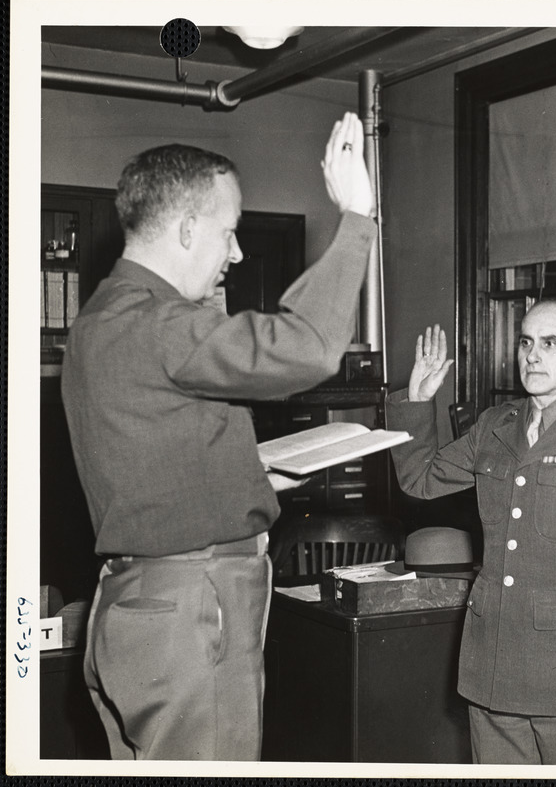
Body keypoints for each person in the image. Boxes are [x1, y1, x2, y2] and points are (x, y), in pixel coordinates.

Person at [61, 112, 376, 760]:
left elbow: (164, 446)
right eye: (229, 233)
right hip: (192, 610)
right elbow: (309, 347)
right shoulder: (159, 325)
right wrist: (358, 219)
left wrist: (253, 469)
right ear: (184, 229)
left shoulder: (101, 318)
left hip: (133, 608)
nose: (237, 253)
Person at [386, 300, 556, 765]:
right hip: (492, 668)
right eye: (526, 342)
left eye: (551, 343)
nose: (533, 355)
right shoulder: (495, 426)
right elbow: (420, 479)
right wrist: (416, 401)